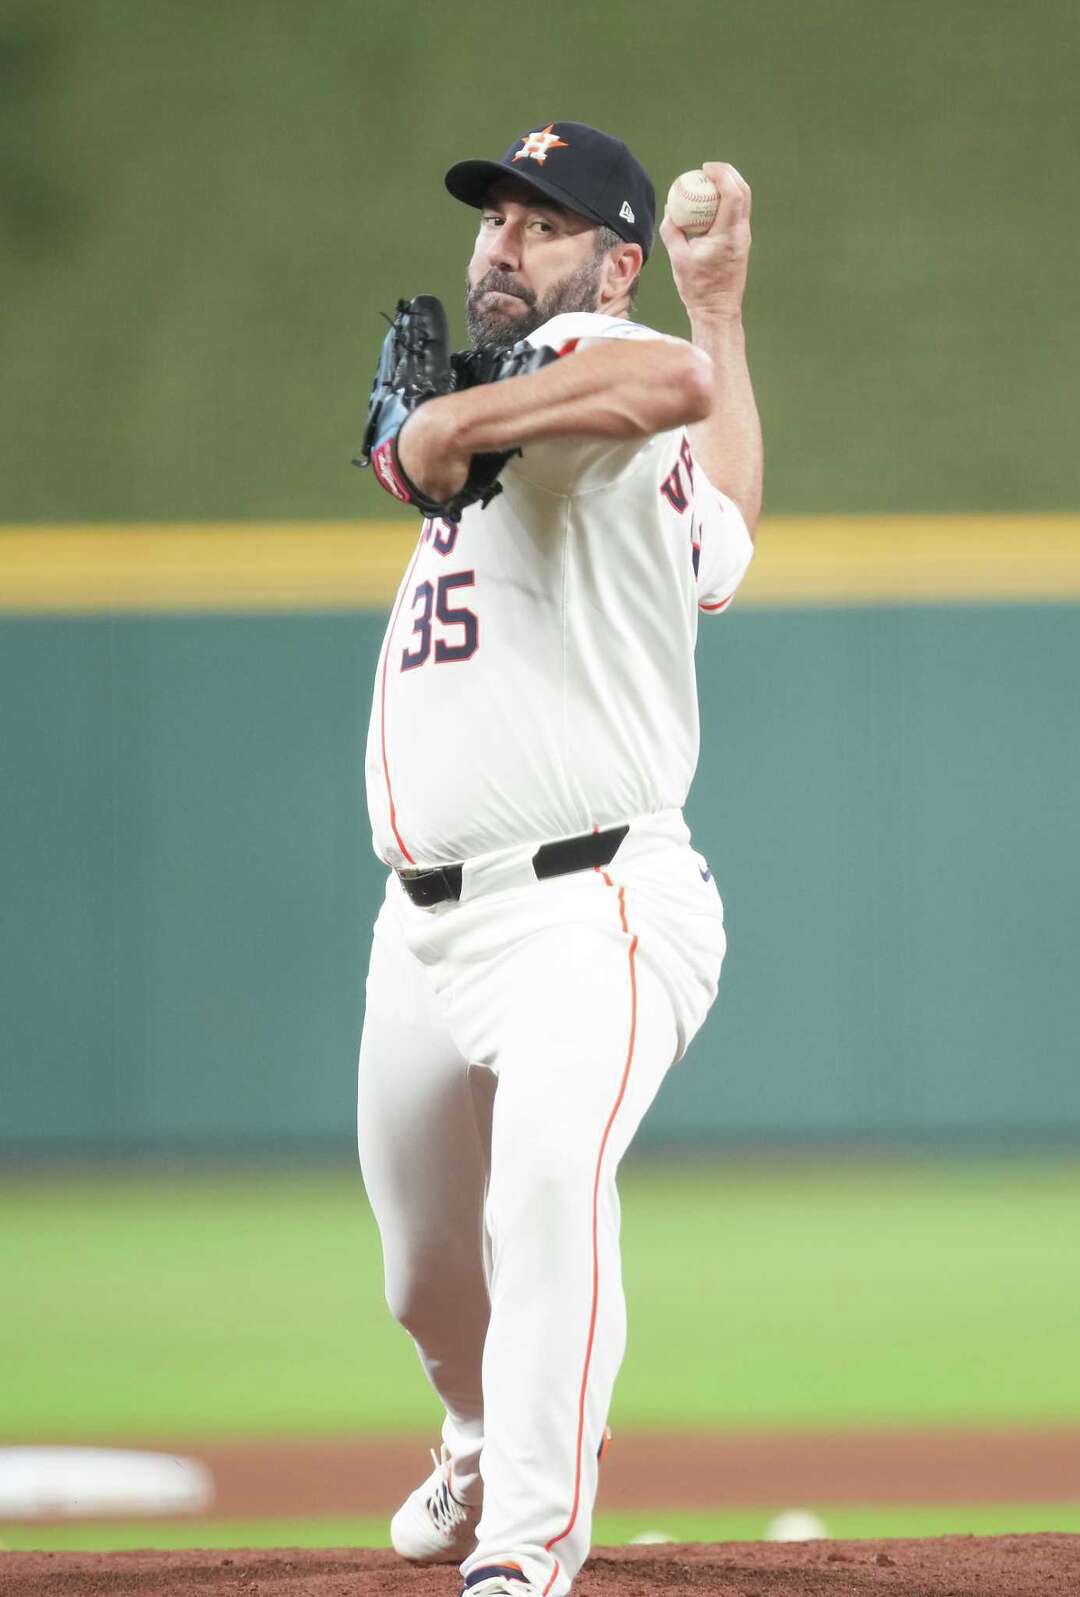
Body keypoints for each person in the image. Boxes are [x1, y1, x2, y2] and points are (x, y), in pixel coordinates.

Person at [356, 120, 762, 1597]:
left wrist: (445, 431)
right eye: (495, 220)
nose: (502, 243)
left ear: (614, 260)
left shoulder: (579, 368)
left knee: (542, 1195)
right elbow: (728, 540)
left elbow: (670, 379)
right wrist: (722, 304)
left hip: (592, 906)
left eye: (542, 219)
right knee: (422, 1277)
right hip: (425, 928)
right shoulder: (547, 402)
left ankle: (526, 1549)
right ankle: (471, 1439)